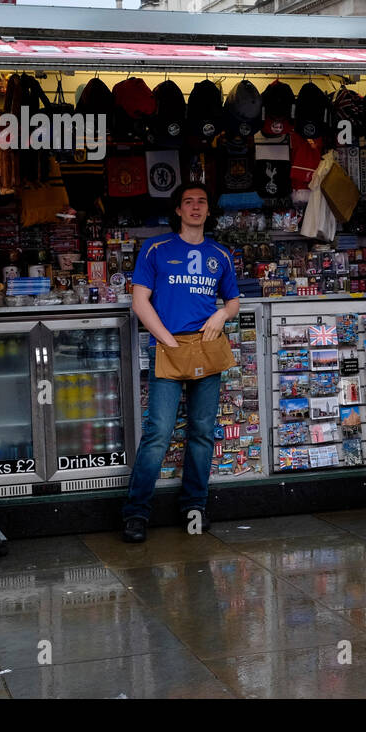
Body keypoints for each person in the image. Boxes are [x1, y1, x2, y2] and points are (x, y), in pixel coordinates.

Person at [121, 182, 240, 543]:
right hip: (169, 344)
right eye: (188, 202)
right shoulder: (156, 248)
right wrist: (168, 341)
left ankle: (194, 508)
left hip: (206, 346)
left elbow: (234, 301)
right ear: (177, 210)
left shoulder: (221, 253)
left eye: (201, 201)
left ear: (208, 210)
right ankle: (136, 514)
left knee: (202, 433)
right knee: (158, 434)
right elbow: (139, 301)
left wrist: (222, 314)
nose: (195, 207)